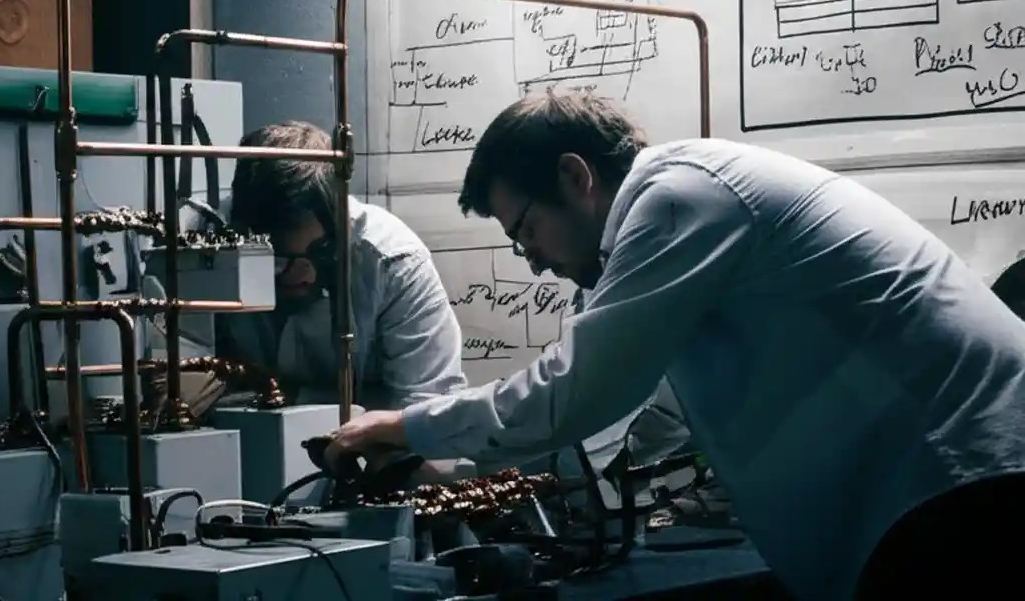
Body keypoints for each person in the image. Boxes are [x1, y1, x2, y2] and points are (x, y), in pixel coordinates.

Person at [324, 90, 1025, 598]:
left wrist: (406, 426)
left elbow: (580, 393)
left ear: (576, 177)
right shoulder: (686, 209)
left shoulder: (684, 198)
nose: (531, 258)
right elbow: (635, 415)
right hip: (937, 490)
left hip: (962, 483)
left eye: (526, 230)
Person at [211, 120, 468, 410]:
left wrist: (296, 397)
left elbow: (430, 410)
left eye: (320, 251)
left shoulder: (392, 263)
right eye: (276, 258)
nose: (300, 273)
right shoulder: (208, 250)